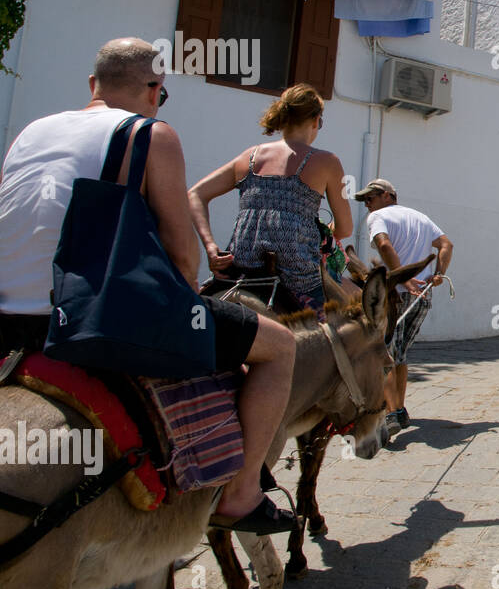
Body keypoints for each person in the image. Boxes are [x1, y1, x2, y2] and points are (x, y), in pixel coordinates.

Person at [0, 38, 297, 534]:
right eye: (162, 93)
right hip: (90, 316)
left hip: (9, 317)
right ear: (155, 88)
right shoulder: (150, 134)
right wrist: (190, 311)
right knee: (280, 346)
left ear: (93, 85)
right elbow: (183, 254)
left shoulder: (31, 131)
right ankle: (242, 496)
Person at [188, 84, 352, 314]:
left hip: (240, 268)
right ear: (315, 120)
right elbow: (345, 229)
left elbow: (195, 194)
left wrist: (211, 247)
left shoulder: (251, 155)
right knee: (339, 336)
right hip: (297, 277)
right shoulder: (328, 161)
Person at [352, 178, 451, 438]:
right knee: (400, 352)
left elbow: (384, 244)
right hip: (421, 295)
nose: (367, 205)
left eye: (370, 198)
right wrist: (438, 275)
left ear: (387, 195)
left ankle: (390, 413)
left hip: (395, 295)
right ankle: (400, 409)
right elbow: (446, 245)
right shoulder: (420, 217)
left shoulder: (378, 217)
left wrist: (402, 278)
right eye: (364, 201)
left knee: (383, 353)